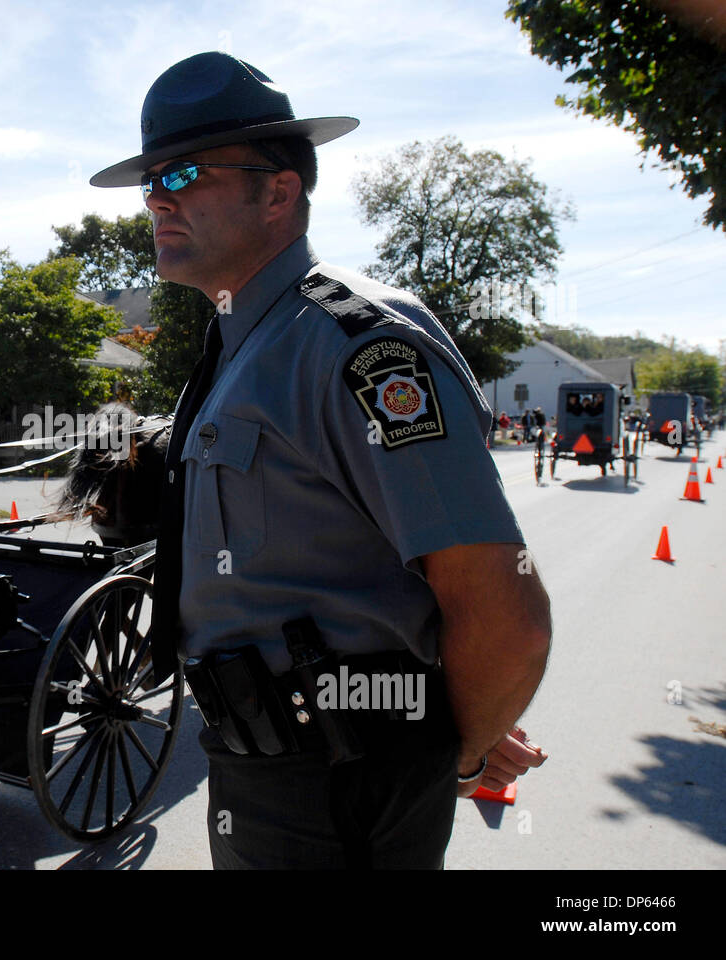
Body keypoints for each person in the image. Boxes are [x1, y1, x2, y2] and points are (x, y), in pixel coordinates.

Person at [90, 52, 551, 869]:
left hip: (340, 786)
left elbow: (502, 610)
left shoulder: (357, 343)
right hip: (262, 770)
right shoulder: (244, 342)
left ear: (279, 190)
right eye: (150, 179)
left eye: (186, 171)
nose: (158, 195)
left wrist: (454, 755)